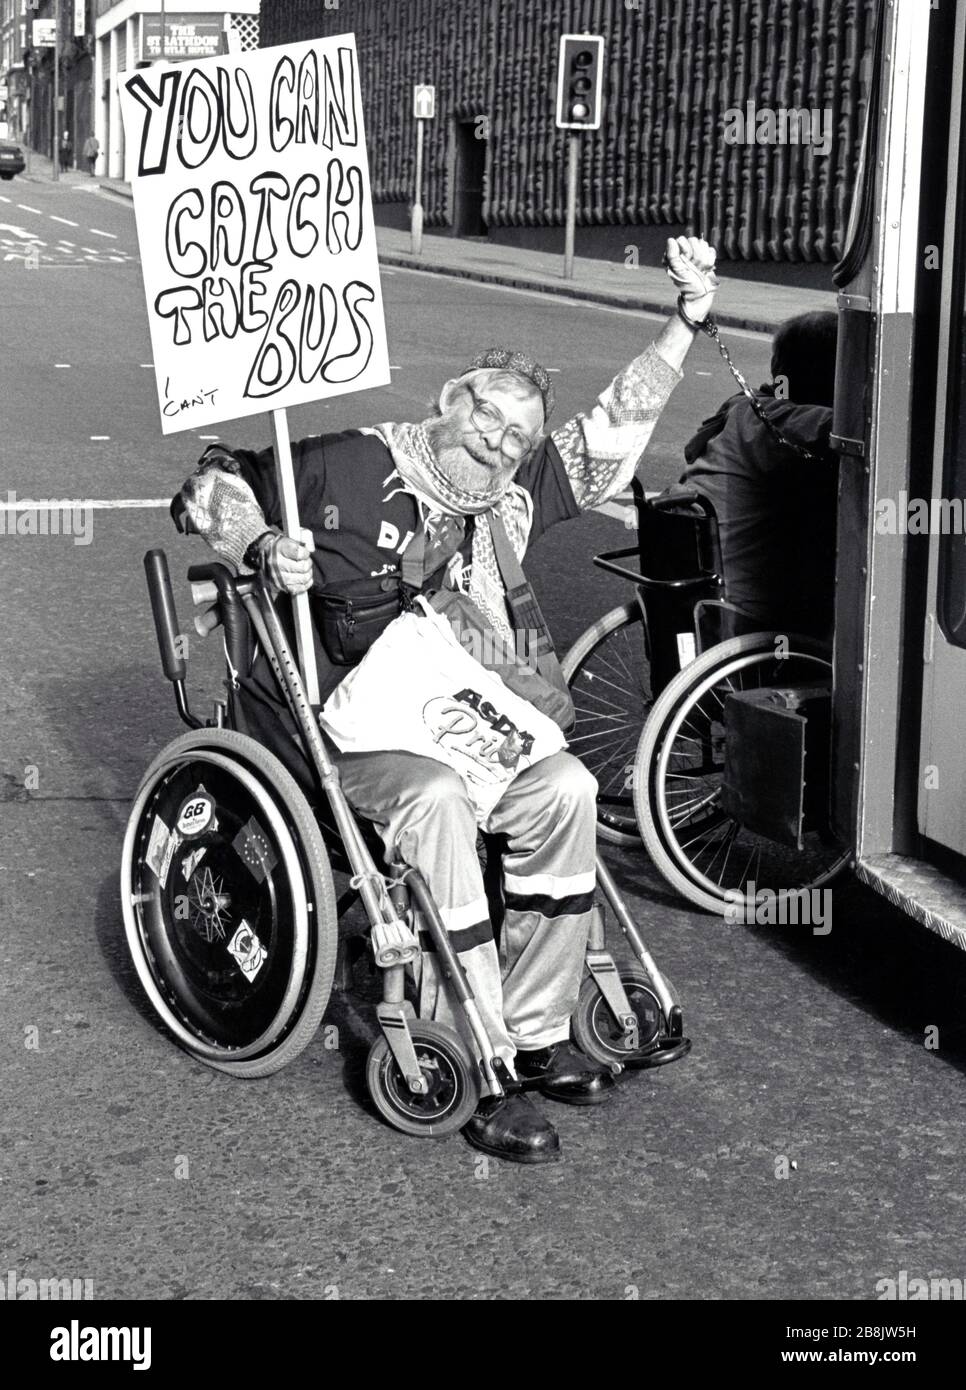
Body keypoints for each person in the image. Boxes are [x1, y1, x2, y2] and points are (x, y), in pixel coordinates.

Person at [176, 236, 720, 1164]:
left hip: (468, 723)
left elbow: (613, 428)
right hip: (346, 731)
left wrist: (684, 321)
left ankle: (537, 1031)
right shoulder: (348, 464)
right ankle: (478, 1051)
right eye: (485, 416)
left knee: (566, 789)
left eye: (516, 436)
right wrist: (264, 544)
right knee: (435, 802)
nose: (495, 442)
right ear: (448, 401)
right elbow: (208, 481)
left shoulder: (511, 497)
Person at [679, 310, 839, 639]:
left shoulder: (743, 406)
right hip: (741, 608)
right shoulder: (784, 420)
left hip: (697, 586)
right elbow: (852, 428)